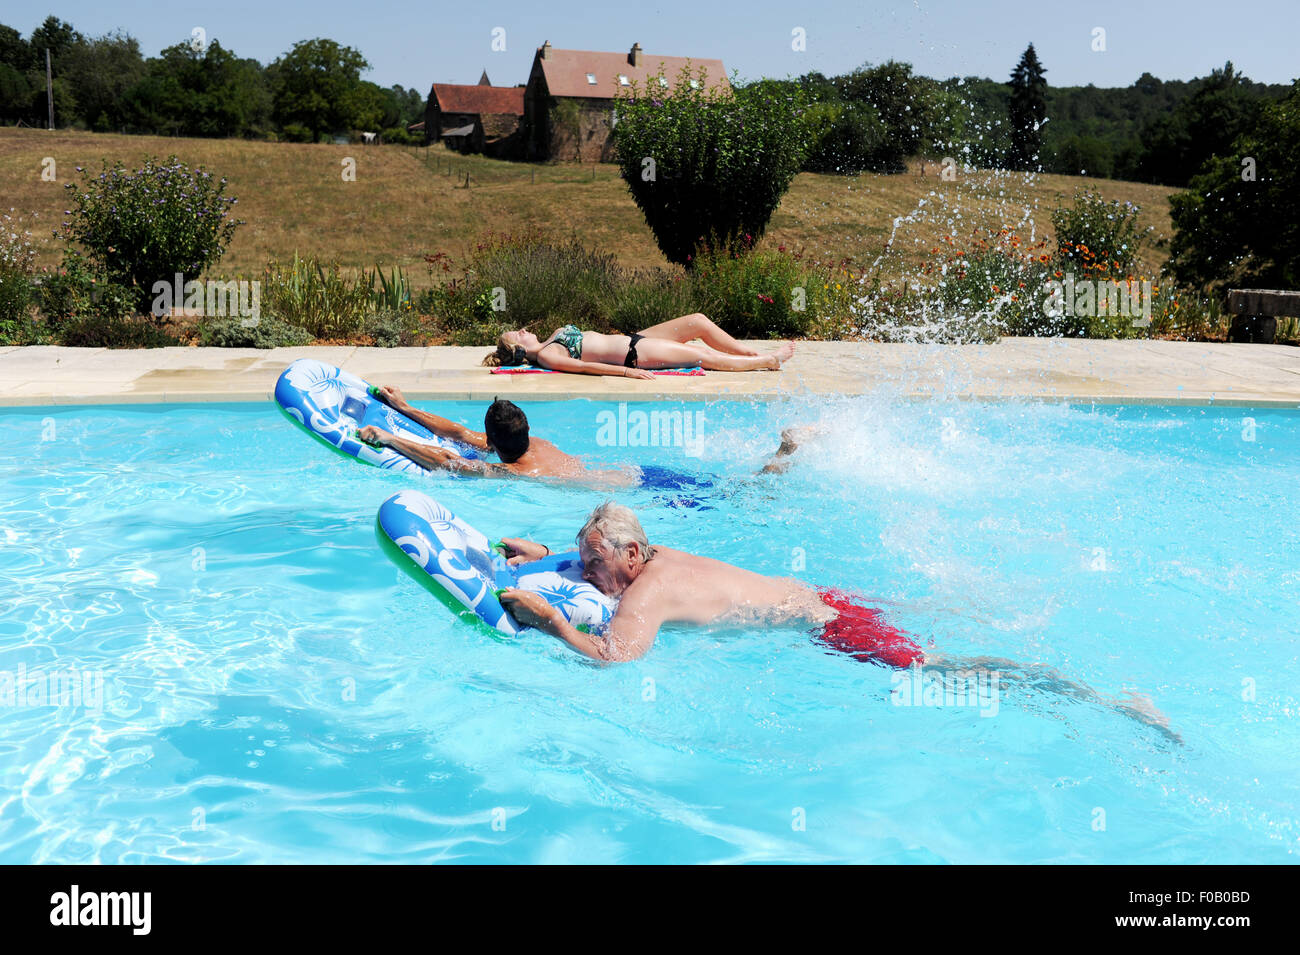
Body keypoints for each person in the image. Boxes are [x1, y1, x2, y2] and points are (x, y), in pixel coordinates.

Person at [497, 502, 1180, 742]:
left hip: (830, 629)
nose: (586, 576)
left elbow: (616, 659)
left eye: (591, 563)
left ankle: (1109, 703)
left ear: (633, 555)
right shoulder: (658, 554)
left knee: (949, 671)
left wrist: (550, 620)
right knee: (945, 637)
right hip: (824, 594)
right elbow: (601, 553)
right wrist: (548, 553)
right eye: (583, 564)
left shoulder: (644, 596)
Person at [357, 390, 804, 487]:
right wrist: (404, 408)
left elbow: (446, 459)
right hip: (640, 474)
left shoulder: (511, 470)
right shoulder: (537, 445)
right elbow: (457, 434)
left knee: (747, 493)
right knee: (729, 485)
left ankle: (780, 458)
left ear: (491, 442)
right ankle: (775, 455)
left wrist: (388, 438)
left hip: (643, 491)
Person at [482, 313, 795, 377]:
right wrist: (627, 374)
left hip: (635, 338)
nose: (523, 329)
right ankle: (767, 361)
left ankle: (747, 352)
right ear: (519, 350)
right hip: (635, 355)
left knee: (697, 321)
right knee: (701, 356)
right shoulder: (549, 356)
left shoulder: (553, 337)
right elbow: (586, 367)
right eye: (517, 334)